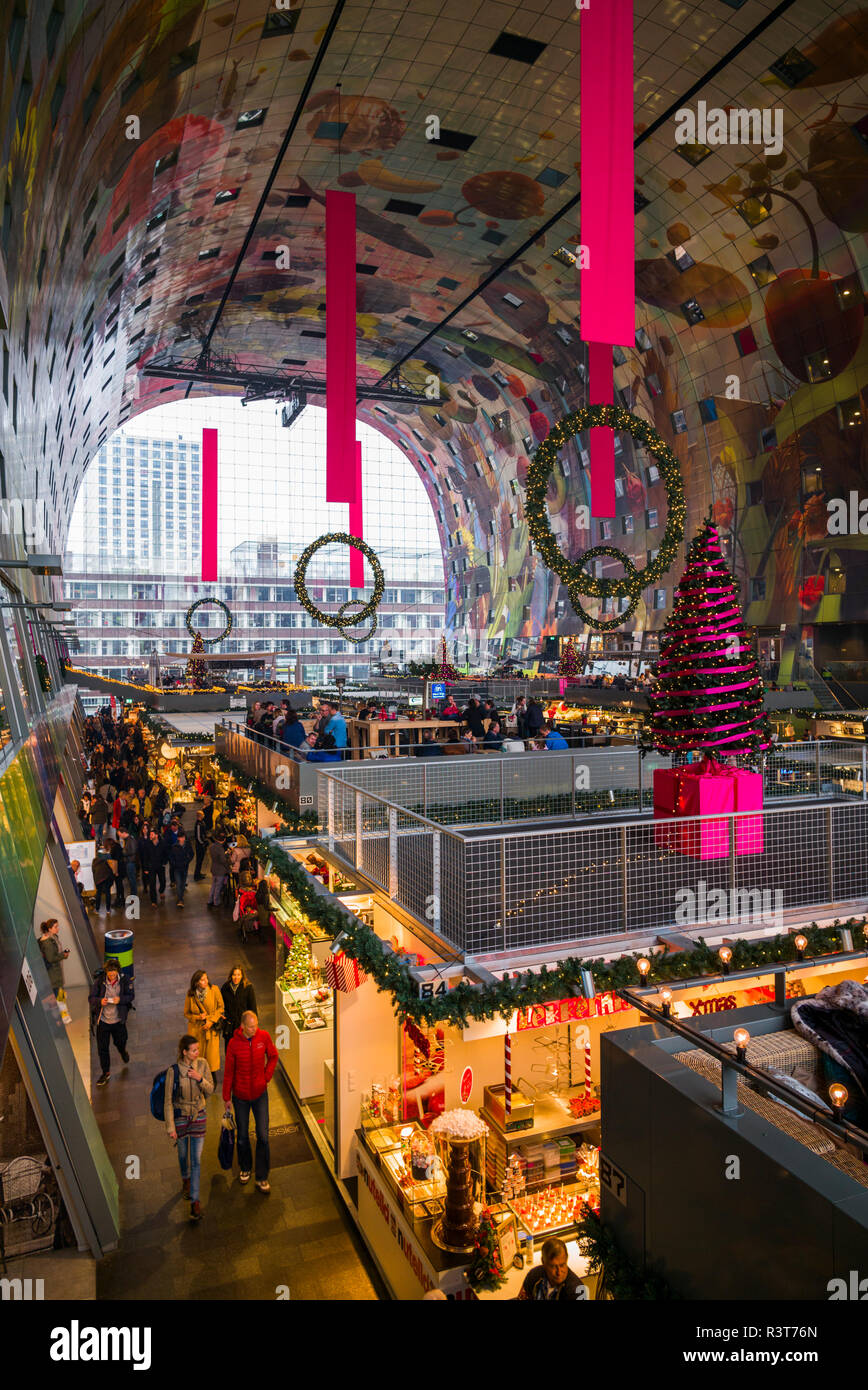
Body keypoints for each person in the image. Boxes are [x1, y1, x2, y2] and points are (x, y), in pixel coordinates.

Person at [223, 1011, 278, 1193]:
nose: (255, 1029)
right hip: (240, 1097)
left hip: (260, 1093)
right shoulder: (233, 1044)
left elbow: (273, 1056)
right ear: (243, 1027)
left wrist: (266, 1076)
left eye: (256, 1025)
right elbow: (229, 1072)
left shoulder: (264, 1037)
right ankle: (245, 1168)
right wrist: (226, 1097)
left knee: (263, 1135)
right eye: (251, 1026)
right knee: (243, 1136)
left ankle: (262, 1177)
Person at [165, 1034, 214, 1223]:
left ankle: (195, 1201)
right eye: (193, 1050)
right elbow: (168, 1101)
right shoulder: (174, 1071)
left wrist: (200, 1079)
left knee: (197, 1159)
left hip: (199, 1115)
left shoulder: (202, 1064)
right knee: (183, 1154)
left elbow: (210, 1090)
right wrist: (170, 1127)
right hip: (180, 1118)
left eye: (197, 1049)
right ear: (184, 1052)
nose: (197, 1053)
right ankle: (185, 1178)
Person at [89, 957, 134, 1086]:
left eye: (114, 972)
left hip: (118, 1021)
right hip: (103, 1022)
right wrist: (99, 1001)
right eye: (109, 972)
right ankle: (106, 1073)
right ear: (106, 972)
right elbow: (91, 998)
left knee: (120, 1041)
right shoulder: (99, 982)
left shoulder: (124, 980)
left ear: (118, 972)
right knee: (102, 1049)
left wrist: (120, 1000)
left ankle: (122, 1051)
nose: (111, 975)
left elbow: (131, 996)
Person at [183, 970, 224, 1076]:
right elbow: (186, 1013)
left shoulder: (214, 990)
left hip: (210, 1030)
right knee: (198, 1059)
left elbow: (221, 1008)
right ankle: (199, 1079)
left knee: (211, 1059)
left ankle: (211, 1080)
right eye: (202, 979)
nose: (206, 981)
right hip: (196, 1031)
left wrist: (211, 1021)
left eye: (206, 978)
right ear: (196, 982)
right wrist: (197, 1017)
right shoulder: (190, 994)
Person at [518, 1238, 586, 1301]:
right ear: (543, 1262)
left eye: (562, 1265)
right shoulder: (534, 1275)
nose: (559, 1272)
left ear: (566, 1259)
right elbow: (522, 1296)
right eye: (553, 1266)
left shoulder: (577, 1291)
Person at [220, 966, 257, 1039]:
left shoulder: (248, 987)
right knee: (230, 1047)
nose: (236, 977)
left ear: (242, 976)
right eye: (234, 975)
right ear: (231, 975)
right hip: (230, 1025)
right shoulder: (225, 987)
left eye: (238, 975)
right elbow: (221, 1004)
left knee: (243, 1048)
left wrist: (253, 1024)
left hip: (243, 1024)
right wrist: (222, 1016)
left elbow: (252, 1007)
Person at [38, 920, 69, 997]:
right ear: (49, 929)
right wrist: (63, 955)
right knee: (59, 1001)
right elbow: (51, 958)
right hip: (53, 977)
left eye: (57, 926)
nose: (58, 928)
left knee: (61, 1000)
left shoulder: (54, 938)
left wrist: (63, 955)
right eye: (55, 927)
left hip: (56, 975)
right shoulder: (47, 942)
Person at [168, 830, 194, 908]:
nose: (182, 839)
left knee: (182, 883)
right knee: (179, 883)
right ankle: (180, 900)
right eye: (181, 837)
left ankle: (180, 896)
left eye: (183, 837)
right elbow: (171, 857)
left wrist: (187, 861)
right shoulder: (174, 846)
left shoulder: (187, 845)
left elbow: (192, 854)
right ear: (178, 838)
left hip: (185, 867)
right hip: (177, 869)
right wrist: (174, 864)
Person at [140, 828, 167, 905]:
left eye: (152, 834)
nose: (150, 836)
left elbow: (166, 853)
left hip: (160, 866)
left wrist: (164, 862)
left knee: (163, 881)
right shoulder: (148, 844)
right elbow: (145, 857)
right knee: (152, 884)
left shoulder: (162, 843)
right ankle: (153, 901)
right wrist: (145, 868)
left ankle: (161, 891)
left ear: (156, 835)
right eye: (150, 834)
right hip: (151, 867)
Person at [92, 844, 116, 913]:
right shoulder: (105, 860)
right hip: (107, 877)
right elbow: (109, 869)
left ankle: (97, 909)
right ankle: (108, 909)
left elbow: (93, 871)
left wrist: (96, 881)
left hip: (99, 878)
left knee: (98, 893)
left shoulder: (94, 861)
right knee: (108, 892)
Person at [207, 835, 228, 908]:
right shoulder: (220, 848)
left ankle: (210, 900)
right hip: (220, 870)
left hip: (214, 868)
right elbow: (223, 860)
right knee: (218, 886)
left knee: (213, 885)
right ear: (224, 840)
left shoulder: (212, 846)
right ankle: (216, 902)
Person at [192, 810, 208, 881]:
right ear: (200, 816)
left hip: (201, 844)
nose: (204, 815)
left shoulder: (201, 823)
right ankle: (196, 875)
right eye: (203, 814)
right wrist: (202, 843)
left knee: (200, 861)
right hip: (199, 846)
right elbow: (198, 836)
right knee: (199, 861)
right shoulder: (198, 824)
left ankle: (199, 873)